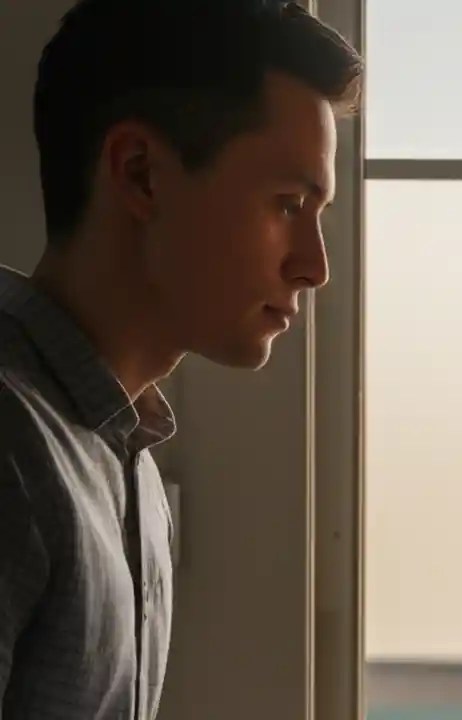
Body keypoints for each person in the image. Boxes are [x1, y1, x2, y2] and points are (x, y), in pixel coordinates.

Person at [0, 1, 362, 717]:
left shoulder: (128, 465)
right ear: (140, 175)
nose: (315, 267)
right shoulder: (11, 449)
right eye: (288, 203)